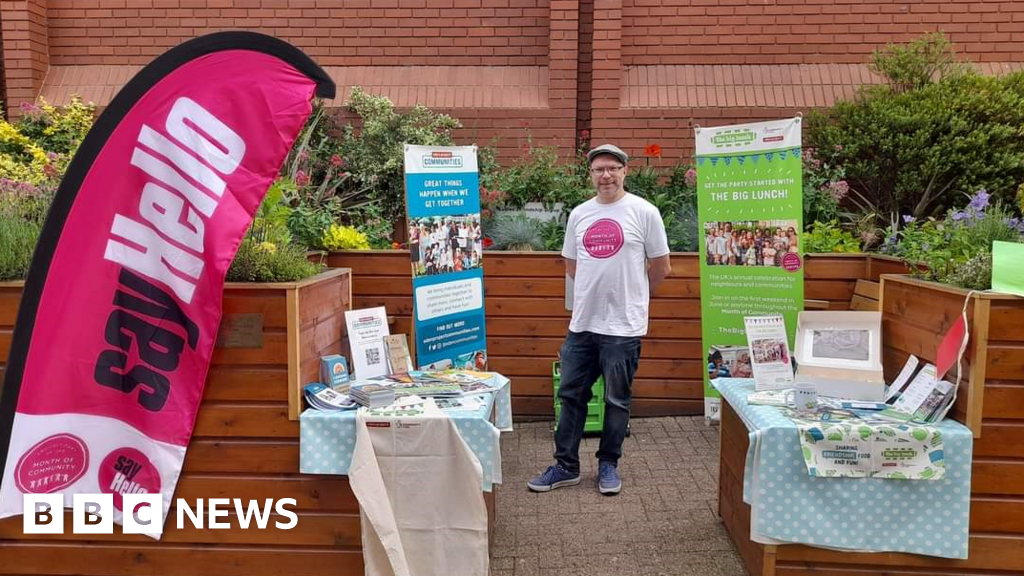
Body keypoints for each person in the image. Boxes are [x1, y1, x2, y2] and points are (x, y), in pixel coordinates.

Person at [527, 144, 671, 496]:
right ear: (590, 175)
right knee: (571, 395)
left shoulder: (644, 212)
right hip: (583, 325)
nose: (606, 175)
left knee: (616, 400)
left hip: (623, 327)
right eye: (598, 170)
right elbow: (572, 265)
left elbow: (661, 267)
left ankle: (608, 464)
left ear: (624, 171)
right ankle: (566, 466)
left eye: (612, 168)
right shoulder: (580, 214)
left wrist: (635, 296)